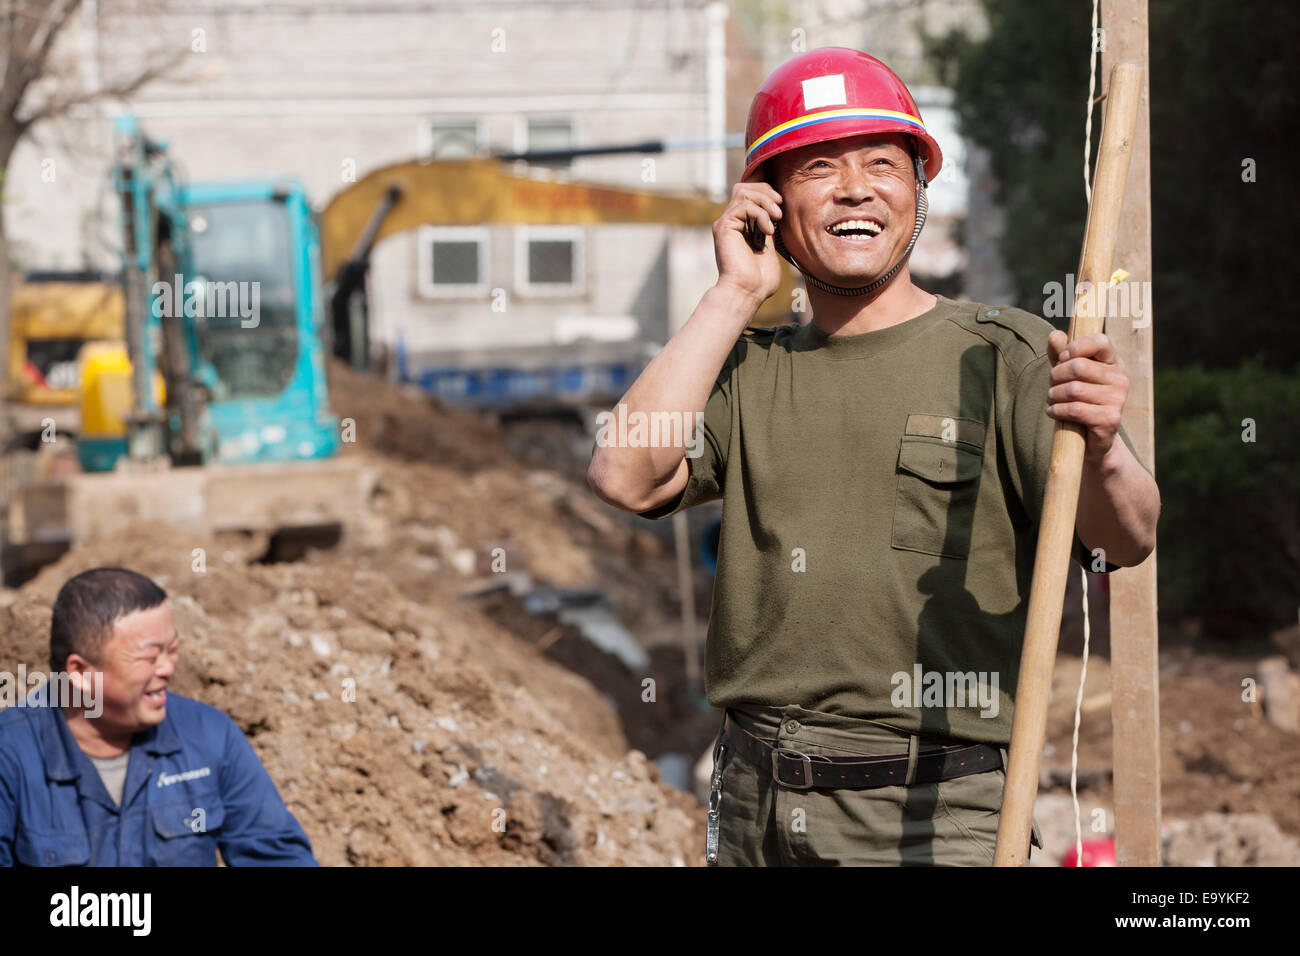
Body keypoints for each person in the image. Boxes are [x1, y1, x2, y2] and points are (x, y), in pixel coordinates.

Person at [588, 47, 1160, 865]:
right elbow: (622, 475)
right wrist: (733, 293)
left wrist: (1101, 450)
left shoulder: (1006, 356)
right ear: (769, 204)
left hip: (933, 810)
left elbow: (1125, 539)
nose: (855, 188)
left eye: (882, 164)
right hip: (755, 801)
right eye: (819, 166)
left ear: (918, 193)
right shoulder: (745, 369)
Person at [0, 566, 317, 866]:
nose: (168, 668)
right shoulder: (11, 754)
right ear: (81, 673)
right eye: (149, 657)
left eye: (172, 650)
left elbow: (277, 856)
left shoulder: (208, 735)